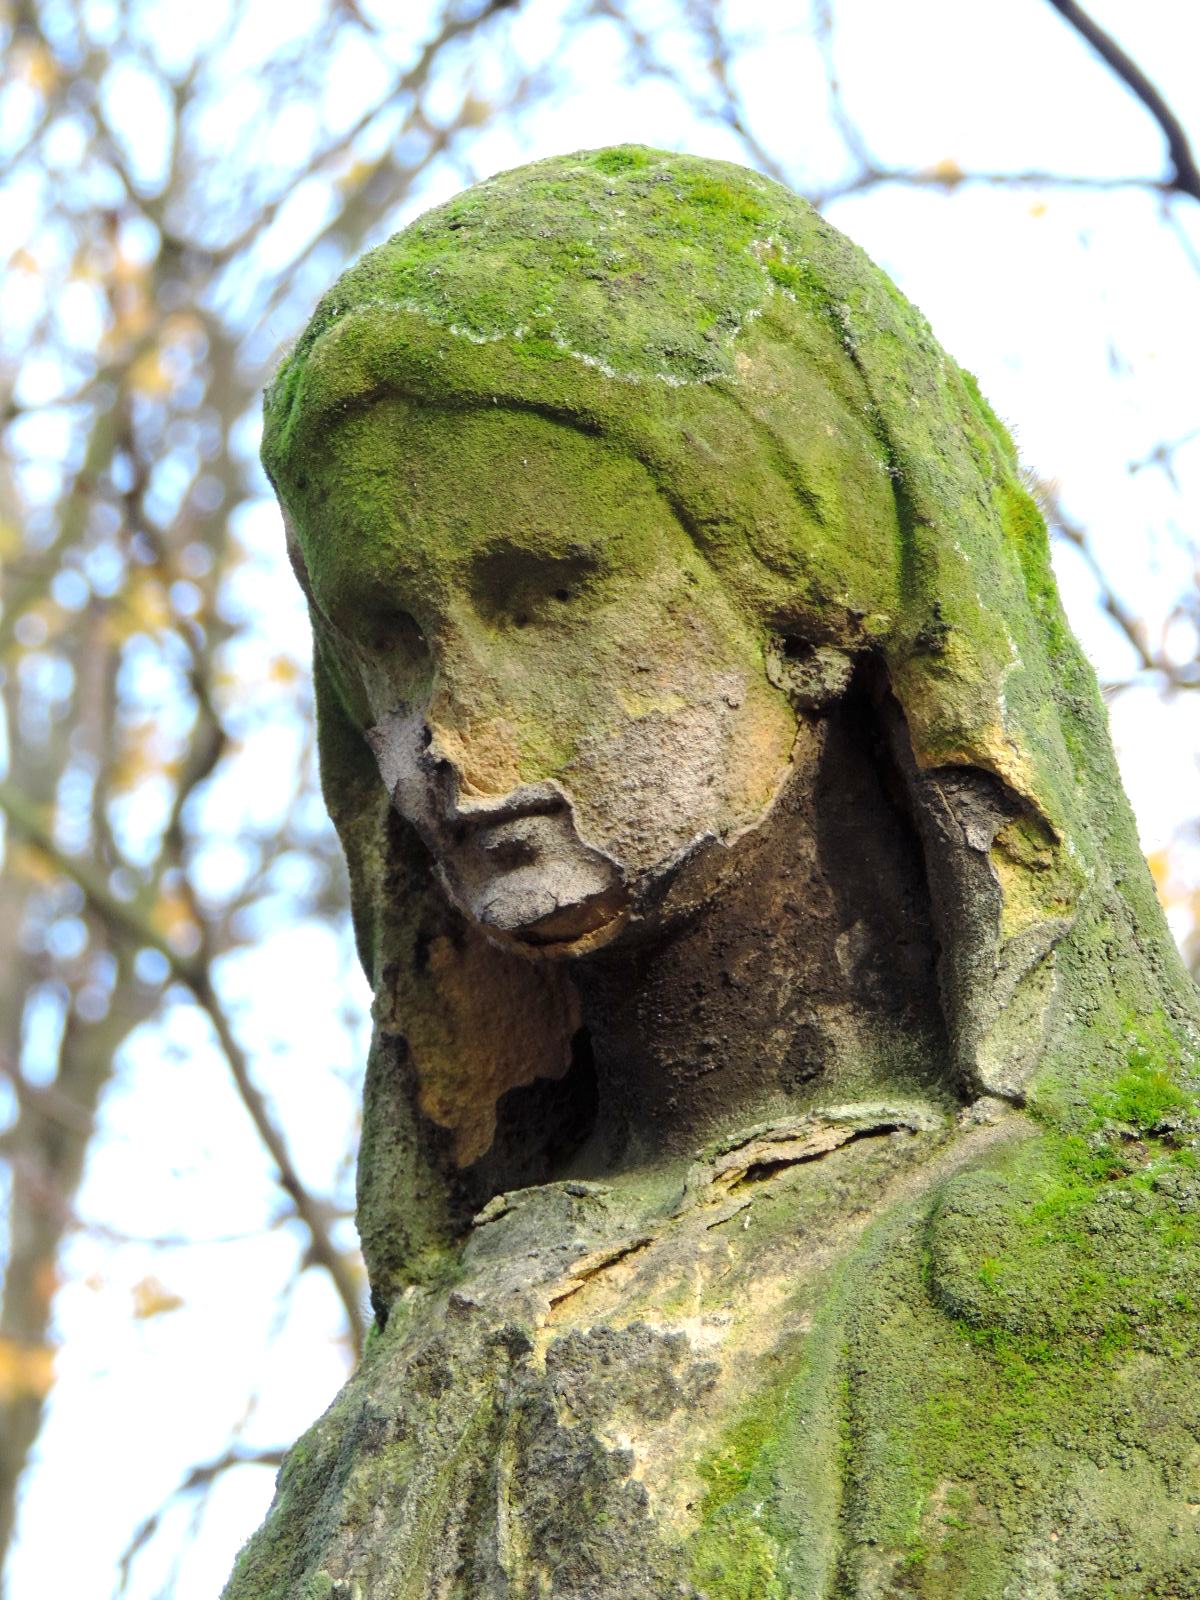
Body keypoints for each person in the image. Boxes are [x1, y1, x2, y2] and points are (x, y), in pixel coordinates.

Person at [227, 147, 1200, 1598]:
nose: (442, 732)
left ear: (812, 605)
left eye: (544, 592)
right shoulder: (385, 1418)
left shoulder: (1109, 1300)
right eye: (388, 637)